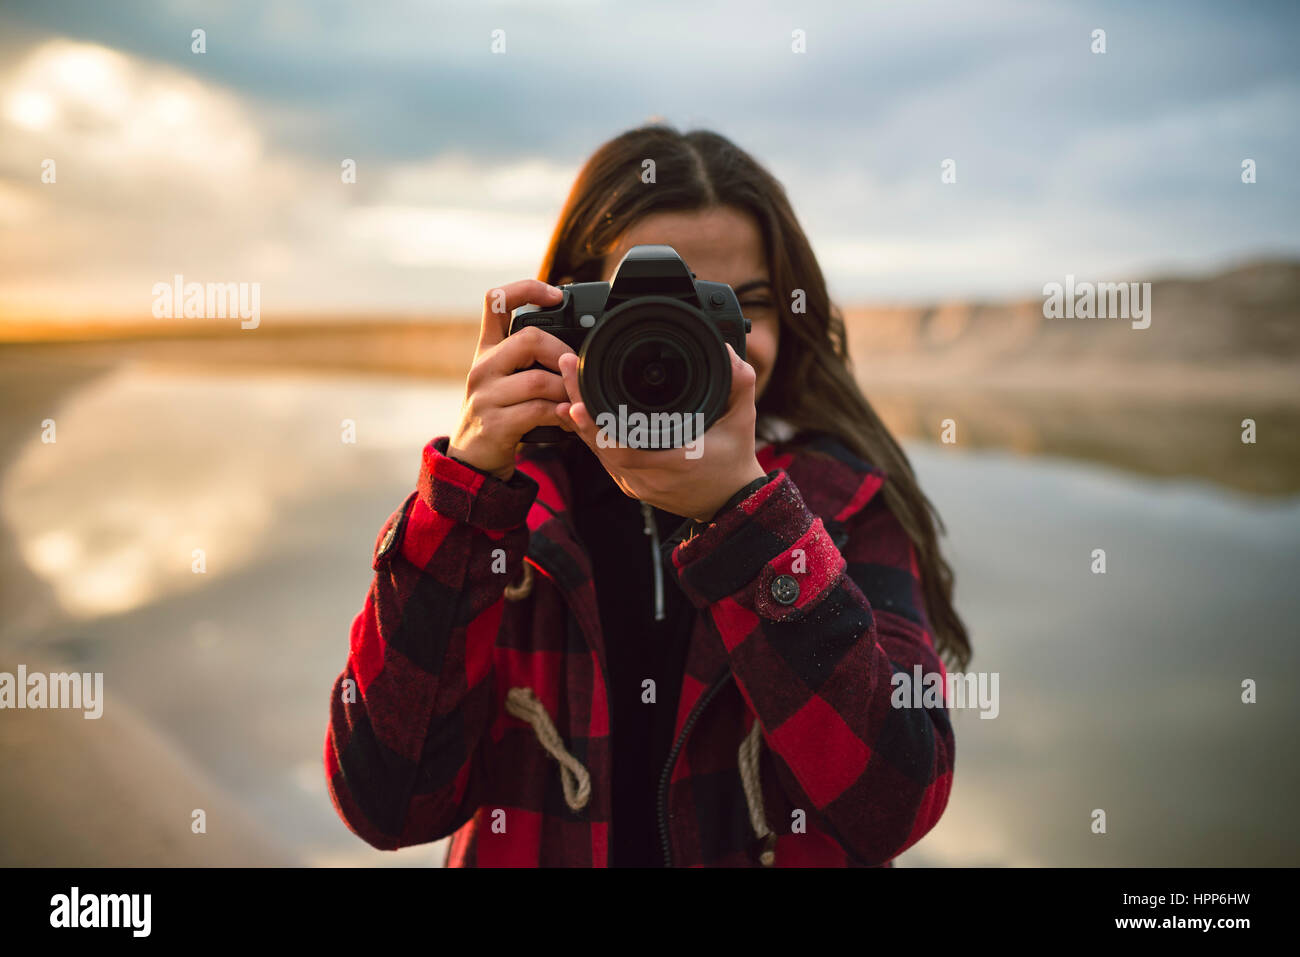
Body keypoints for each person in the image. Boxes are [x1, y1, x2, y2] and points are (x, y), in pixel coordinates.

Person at [324, 124, 971, 867]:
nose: (699, 341)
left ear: (788, 321)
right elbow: (387, 801)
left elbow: (896, 801)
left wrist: (750, 521)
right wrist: (462, 498)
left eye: (739, 304)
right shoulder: (506, 515)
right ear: (569, 316)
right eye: (652, 308)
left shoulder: (846, 507)